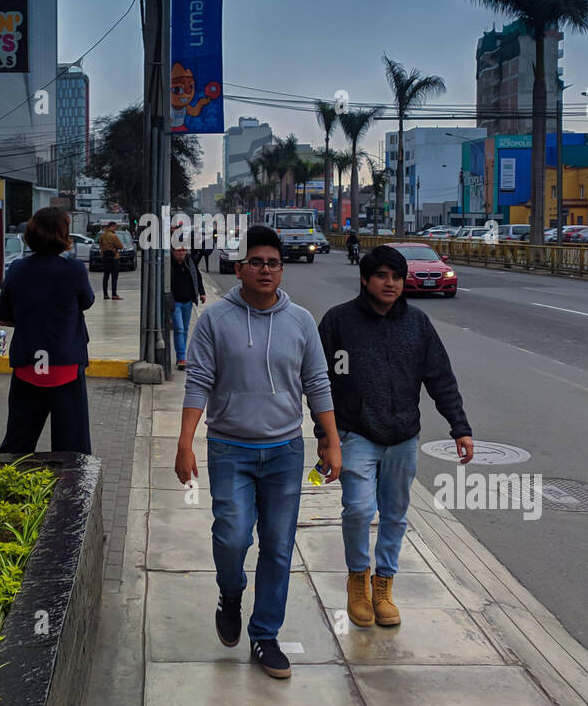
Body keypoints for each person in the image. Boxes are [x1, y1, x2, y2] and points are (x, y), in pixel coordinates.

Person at [177, 225, 342, 680]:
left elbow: (317, 383)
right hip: (230, 447)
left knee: (278, 546)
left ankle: (265, 635)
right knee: (232, 535)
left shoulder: (302, 321)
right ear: (239, 268)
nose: (265, 269)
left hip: (286, 451)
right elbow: (199, 382)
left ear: (281, 271)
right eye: (256, 262)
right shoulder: (214, 319)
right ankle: (230, 594)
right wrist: (184, 442)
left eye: (273, 263)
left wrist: (329, 439)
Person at [318, 246, 474, 628]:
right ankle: (358, 579)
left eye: (397, 277)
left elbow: (440, 377)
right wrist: (326, 435)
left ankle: (384, 584)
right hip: (355, 433)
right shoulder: (339, 322)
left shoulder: (417, 324)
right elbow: (318, 381)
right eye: (383, 276)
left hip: (403, 437)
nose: (391, 284)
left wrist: (460, 427)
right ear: (365, 279)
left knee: (395, 514)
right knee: (357, 509)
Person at [0, 207, 94, 454]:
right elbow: (87, 302)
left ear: (31, 233)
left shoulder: (17, 269)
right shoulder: (75, 270)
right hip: (66, 366)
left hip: (27, 365)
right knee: (73, 448)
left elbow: (4, 317)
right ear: (64, 234)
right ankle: (69, 491)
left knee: (17, 444)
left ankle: (5, 489)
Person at [170, 242, 206, 370]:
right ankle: (181, 357)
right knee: (178, 328)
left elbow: (197, 277)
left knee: (184, 329)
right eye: (178, 251)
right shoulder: (169, 265)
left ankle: (182, 355)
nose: (181, 253)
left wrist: (202, 293)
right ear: (173, 252)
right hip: (175, 302)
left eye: (183, 250)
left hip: (188, 301)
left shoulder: (189, 262)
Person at [98, 221, 124, 300]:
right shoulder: (113, 236)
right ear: (112, 226)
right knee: (114, 277)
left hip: (105, 258)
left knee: (106, 276)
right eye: (115, 227)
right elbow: (120, 246)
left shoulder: (102, 236)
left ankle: (105, 294)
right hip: (114, 258)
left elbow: (100, 246)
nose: (116, 229)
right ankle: (114, 294)